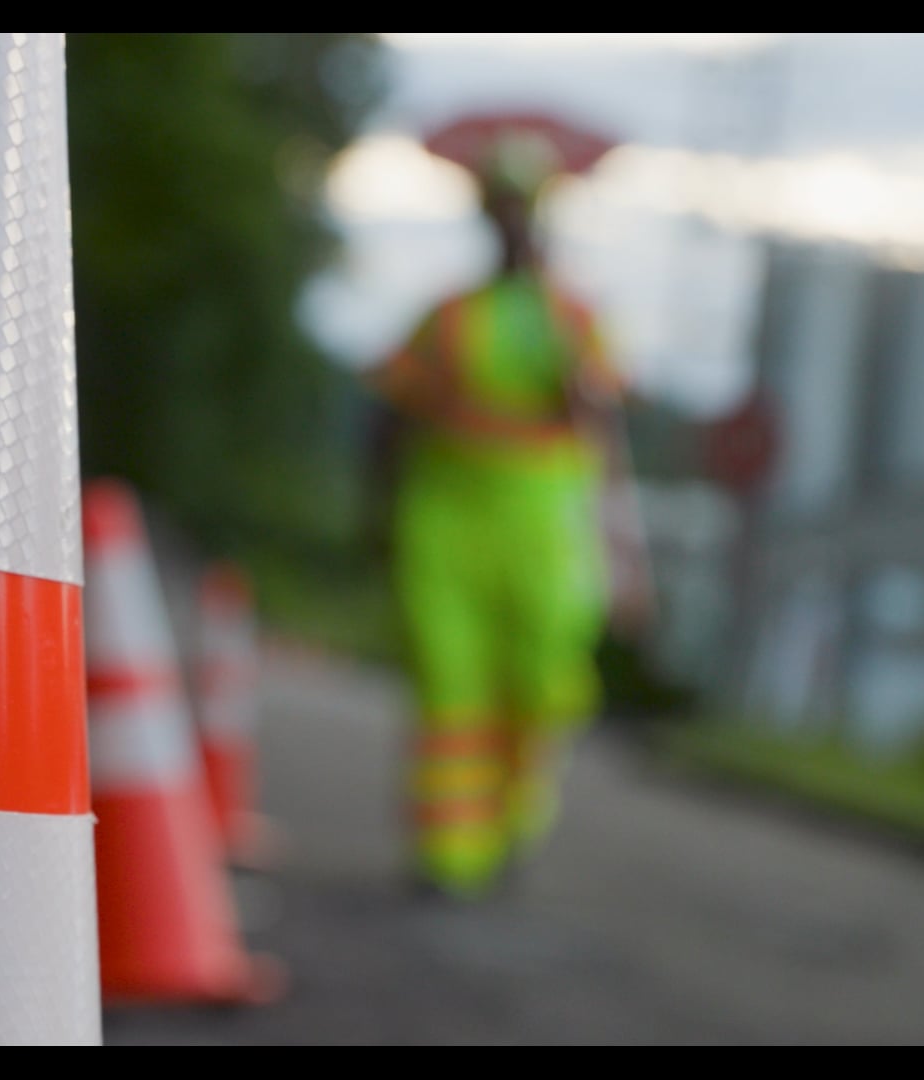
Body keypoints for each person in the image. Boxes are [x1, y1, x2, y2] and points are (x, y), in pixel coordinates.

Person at [367, 126, 650, 901]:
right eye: (502, 206)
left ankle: (513, 820)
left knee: (543, 682)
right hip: (445, 521)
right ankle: (450, 853)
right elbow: (389, 419)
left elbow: (605, 431)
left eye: (524, 206)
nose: (513, 220)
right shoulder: (449, 318)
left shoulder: (576, 319)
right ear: (485, 215)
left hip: (545, 528)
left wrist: (623, 550)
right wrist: (378, 520)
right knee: (450, 685)